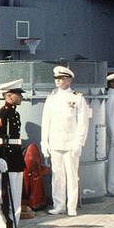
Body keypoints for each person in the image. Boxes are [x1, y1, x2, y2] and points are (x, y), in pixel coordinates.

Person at [41, 65, 90, 216]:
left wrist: (79, 143)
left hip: (71, 144)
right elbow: (46, 121)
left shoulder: (77, 97)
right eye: (56, 78)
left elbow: (83, 123)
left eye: (61, 78)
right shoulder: (51, 98)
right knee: (57, 176)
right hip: (56, 143)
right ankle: (59, 205)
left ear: (68, 80)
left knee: (72, 176)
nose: (58, 81)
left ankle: (71, 206)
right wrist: (45, 142)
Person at [0, 80, 28, 228]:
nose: (21, 97)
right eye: (18, 94)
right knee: (7, 196)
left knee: (15, 195)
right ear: (8, 96)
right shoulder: (2, 114)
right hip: (8, 158)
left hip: (16, 158)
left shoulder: (14, 113)